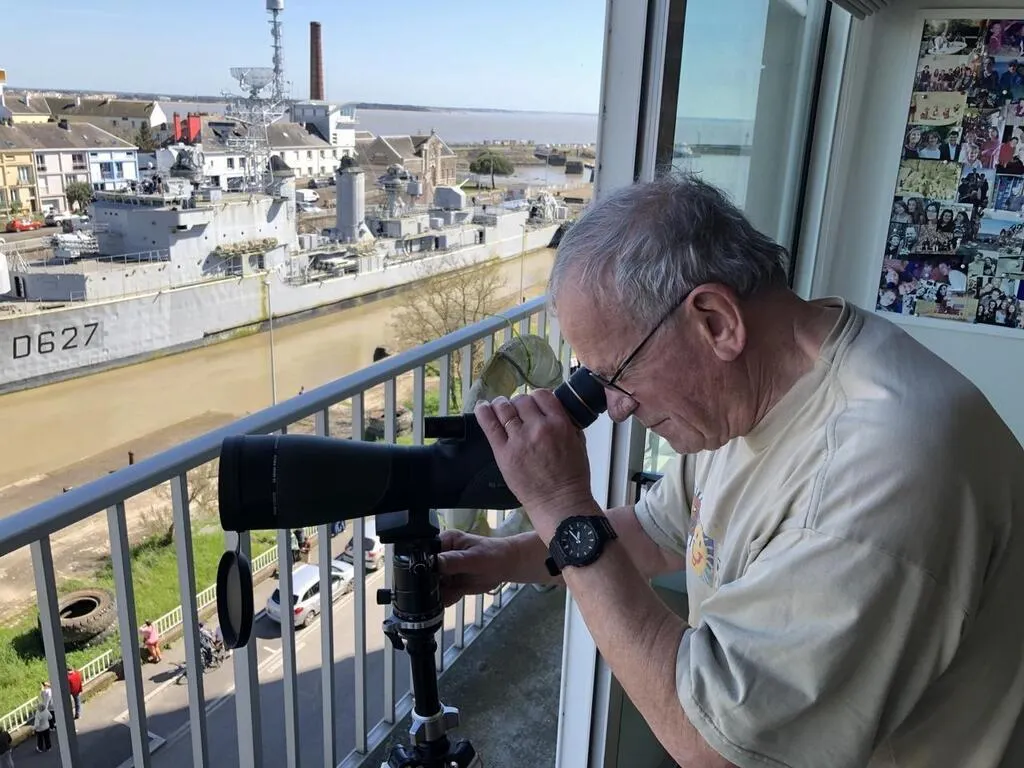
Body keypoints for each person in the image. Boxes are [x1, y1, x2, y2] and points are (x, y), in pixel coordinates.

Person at [437, 175, 1024, 766]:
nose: (613, 408)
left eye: (615, 374)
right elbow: (654, 532)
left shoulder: (881, 469)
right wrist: (498, 560)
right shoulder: (764, 390)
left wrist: (562, 504)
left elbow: (715, 747)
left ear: (716, 321)